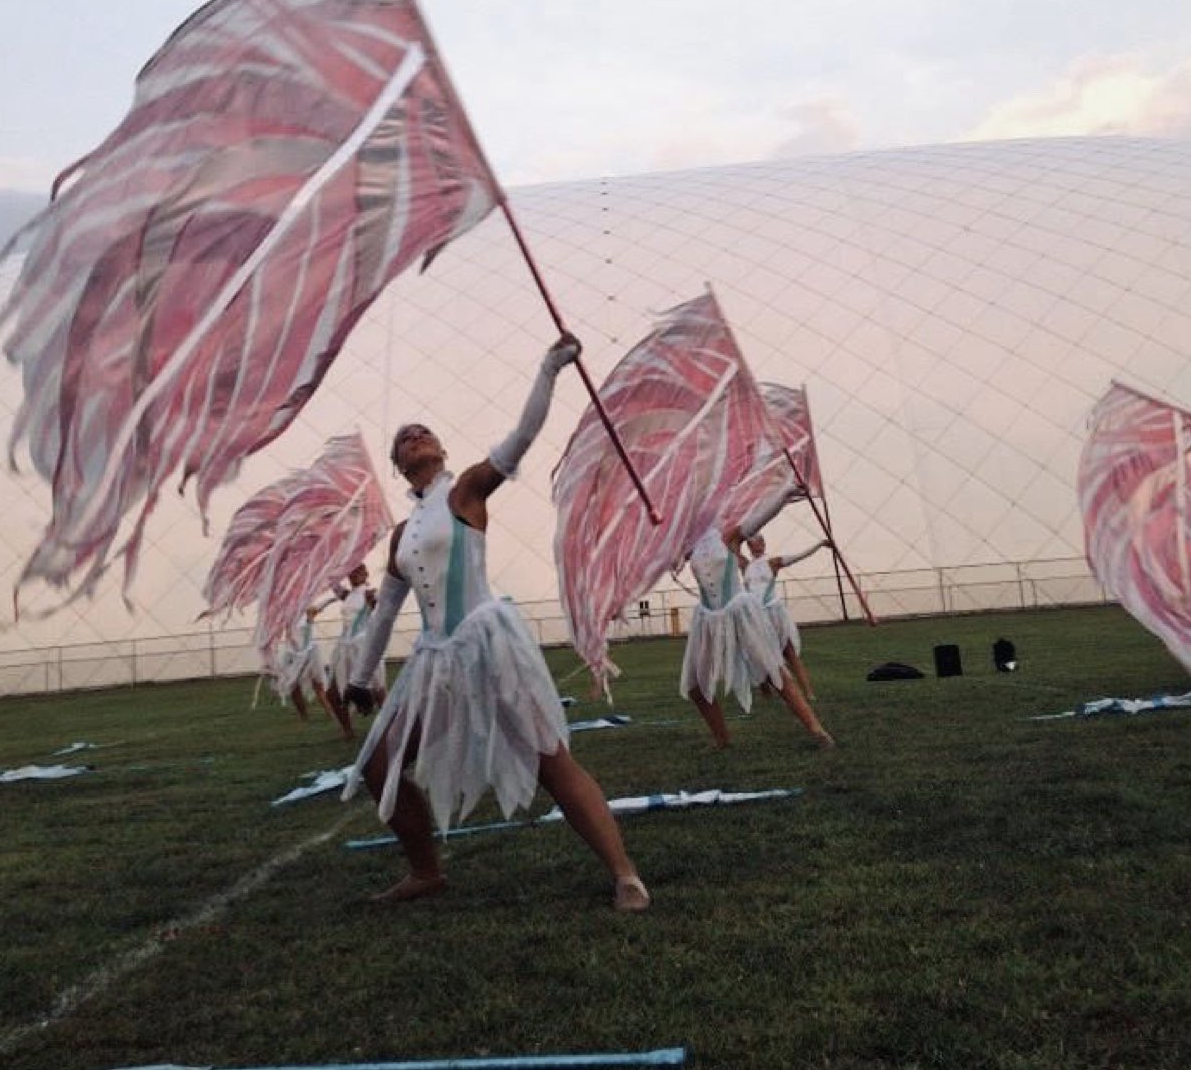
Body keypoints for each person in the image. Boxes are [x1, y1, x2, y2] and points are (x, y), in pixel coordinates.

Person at [341, 335, 649, 913]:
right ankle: (426, 872)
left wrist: (550, 368)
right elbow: (384, 613)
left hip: (488, 646)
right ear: (399, 466)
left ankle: (625, 874)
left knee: (551, 762)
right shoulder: (401, 535)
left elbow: (520, 438)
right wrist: (360, 678)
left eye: (423, 431)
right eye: (404, 438)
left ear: (440, 450)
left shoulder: (464, 490)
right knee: (379, 761)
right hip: (435, 664)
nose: (415, 436)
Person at [680, 484, 835, 751]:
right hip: (707, 618)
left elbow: (760, 517)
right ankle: (722, 740)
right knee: (695, 686)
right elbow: (656, 555)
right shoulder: (688, 545)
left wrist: (784, 494)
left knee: (773, 671)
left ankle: (817, 730)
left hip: (739, 611)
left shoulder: (728, 535)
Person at [743, 534, 830, 703]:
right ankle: (766, 693)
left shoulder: (773, 562)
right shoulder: (746, 566)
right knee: (757, 654)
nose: (757, 545)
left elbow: (800, 556)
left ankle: (808, 692)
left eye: (760, 541)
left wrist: (819, 544)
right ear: (749, 546)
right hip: (756, 615)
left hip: (773, 613)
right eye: (753, 543)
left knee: (788, 653)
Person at [323, 563, 387, 739]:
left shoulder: (369, 593)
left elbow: (384, 600)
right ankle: (347, 730)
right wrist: (331, 558)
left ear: (366, 573)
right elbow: (331, 580)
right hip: (344, 648)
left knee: (378, 691)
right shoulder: (347, 595)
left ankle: (390, 726)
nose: (354, 575)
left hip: (363, 646)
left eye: (359, 571)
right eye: (351, 572)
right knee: (333, 693)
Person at [273, 607, 341, 730]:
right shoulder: (287, 614)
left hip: (310, 653)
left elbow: (319, 607)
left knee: (318, 684)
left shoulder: (306, 612)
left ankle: (330, 711)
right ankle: (303, 715)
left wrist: (330, 601)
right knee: (293, 686)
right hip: (293, 653)